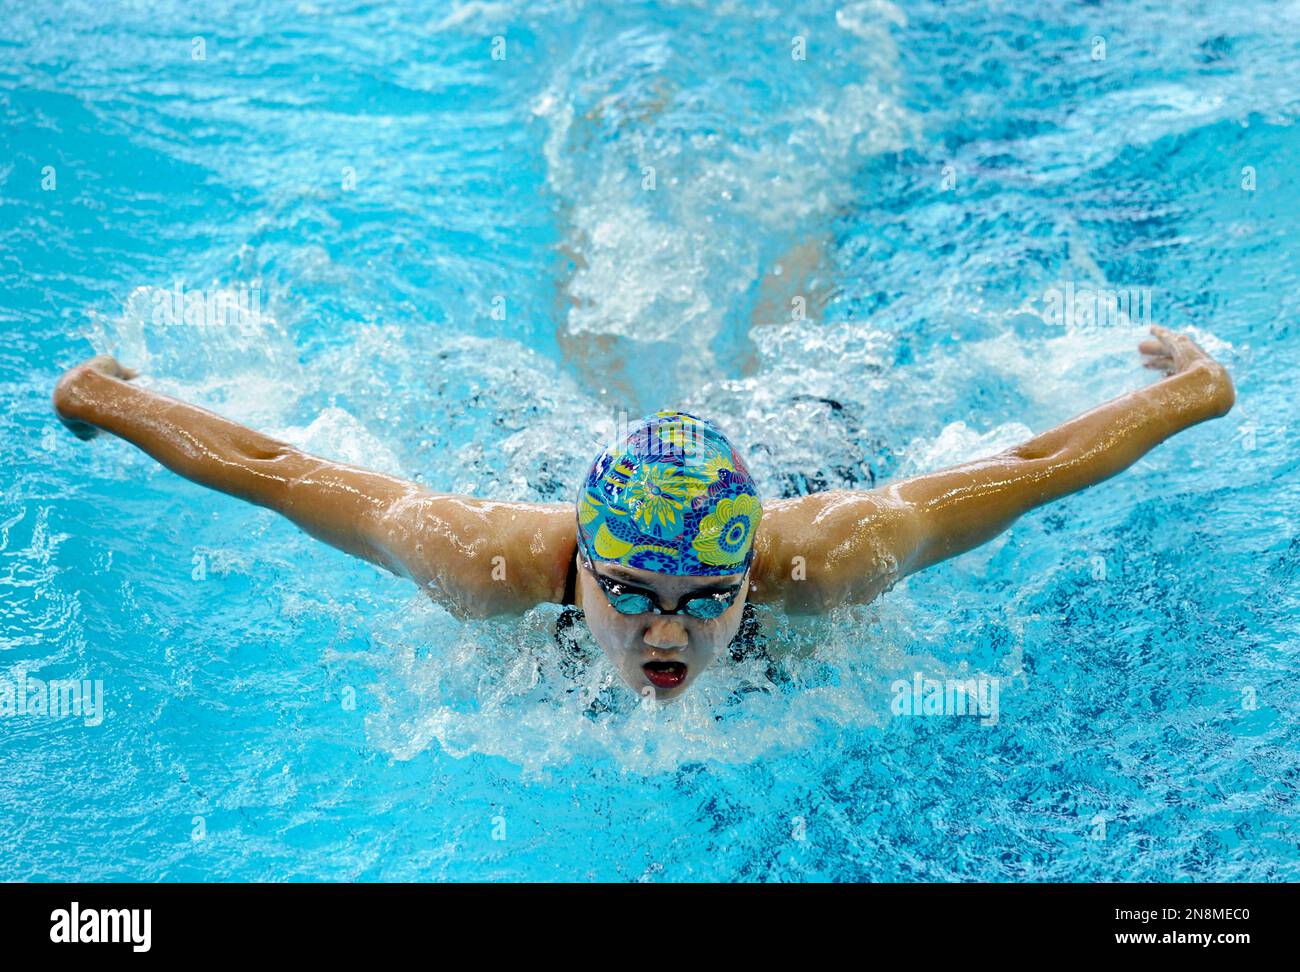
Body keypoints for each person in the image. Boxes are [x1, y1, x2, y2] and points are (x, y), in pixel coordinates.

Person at [53, 325, 1235, 701]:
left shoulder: (824, 557)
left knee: (814, 355)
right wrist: (109, 399)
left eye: (703, 605)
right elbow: (277, 468)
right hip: (580, 458)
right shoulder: (482, 558)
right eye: (633, 597)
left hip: (798, 443)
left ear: (746, 578)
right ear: (577, 569)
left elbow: (1029, 466)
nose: (668, 635)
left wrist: (1192, 389)